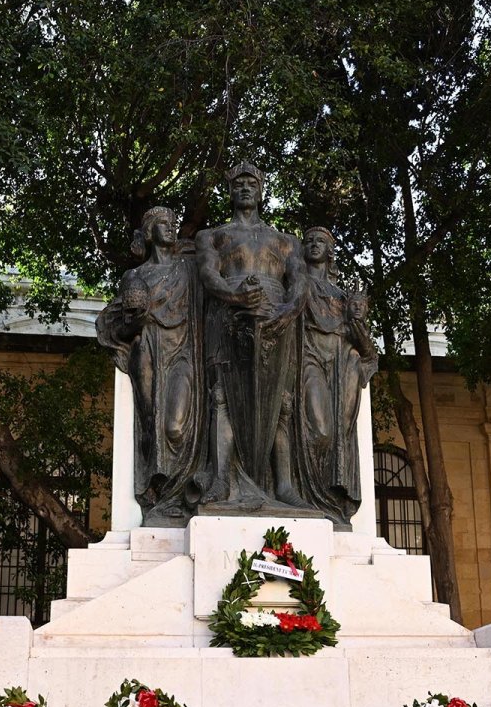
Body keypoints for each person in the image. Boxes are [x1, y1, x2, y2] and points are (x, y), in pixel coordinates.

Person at [193, 163, 309, 509]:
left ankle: (285, 486)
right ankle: (220, 480)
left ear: (261, 190)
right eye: (239, 184)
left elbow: (300, 282)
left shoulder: (285, 241)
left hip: (277, 319)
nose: (245, 188)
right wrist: (237, 298)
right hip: (228, 316)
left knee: (282, 401)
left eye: (251, 183)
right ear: (230, 191)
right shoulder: (213, 235)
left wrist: (287, 311)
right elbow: (208, 275)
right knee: (221, 396)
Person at [97, 207, 204, 524]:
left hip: (185, 353)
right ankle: (160, 498)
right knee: (151, 422)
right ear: (148, 232)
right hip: (147, 351)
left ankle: (181, 492)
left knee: (176, 425)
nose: (170, 228)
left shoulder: (190, 270)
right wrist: (136, 319)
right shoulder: (135, 276)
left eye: (173, 224)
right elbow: (119, 327)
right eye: (163, 224)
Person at [295, 227, 378, 526]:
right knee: (321, 430)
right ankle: (310, 497)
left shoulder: (345, 298)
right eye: (309, 242)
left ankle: (330, 500)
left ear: (331, 251)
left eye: (321, 242)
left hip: (341, 368)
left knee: (339, 434)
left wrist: (358, 328)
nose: (314, 245)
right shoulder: (296, 285)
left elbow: (367, 349)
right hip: (309, 361)